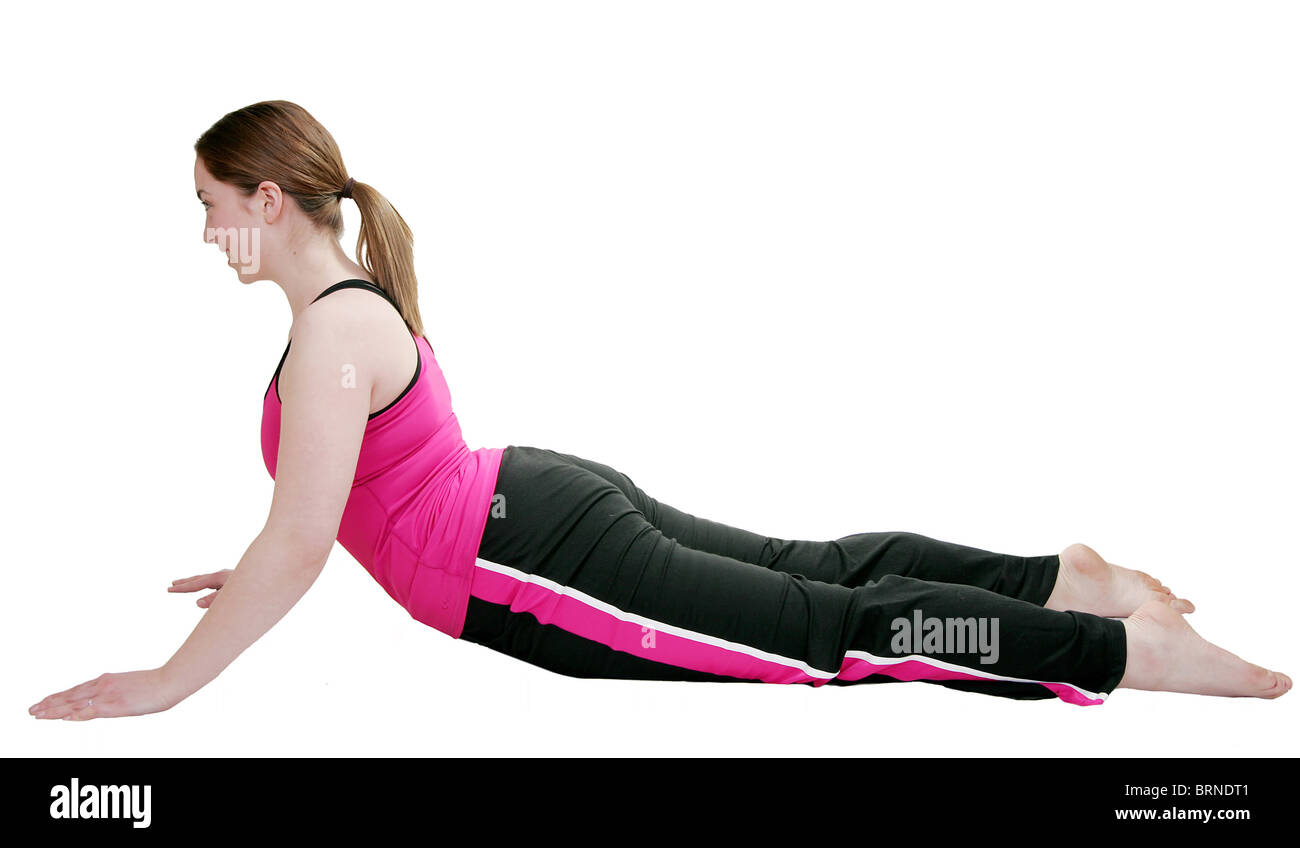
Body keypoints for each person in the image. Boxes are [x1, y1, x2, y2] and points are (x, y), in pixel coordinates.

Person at [29, 101, 1290, 722]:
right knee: (828, 574)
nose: (203, 232)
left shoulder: (327, 335)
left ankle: (1118, 651)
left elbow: (303, 541)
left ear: (266, 195)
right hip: (544, 505)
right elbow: (328, 509)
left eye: (208, 203)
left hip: (535, 557)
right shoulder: (350, 309)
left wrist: (161, 688)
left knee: (835, 632)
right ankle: (1063, 577)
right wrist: (251, 564)